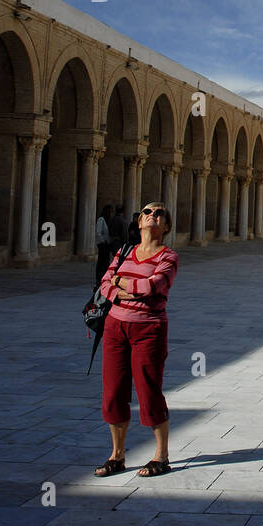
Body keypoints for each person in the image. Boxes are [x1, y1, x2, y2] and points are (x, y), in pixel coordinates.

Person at [94, 202, 180, 478]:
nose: (153, 216)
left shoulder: (169, 256)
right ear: (139, 221)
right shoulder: (124, 252)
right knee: (114, 390)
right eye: (147, 212)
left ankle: (161, 456)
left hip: (149, 329)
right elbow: (104, 283)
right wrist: (124, 290)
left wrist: (122, 286)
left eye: (160, 214)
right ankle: (117, 455)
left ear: (166, 226)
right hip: (114, 328)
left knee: (148, 390)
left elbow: (153, 286)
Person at [95, 204, 115, 284]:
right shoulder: (101, 219)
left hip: (106, 245)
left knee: (105, 262)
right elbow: (98, 232)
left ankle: (104, 278)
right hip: (102, 244)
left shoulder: (107, 221)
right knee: (101, 262)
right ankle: (99, 279)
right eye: (111, 211)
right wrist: (104, 241)